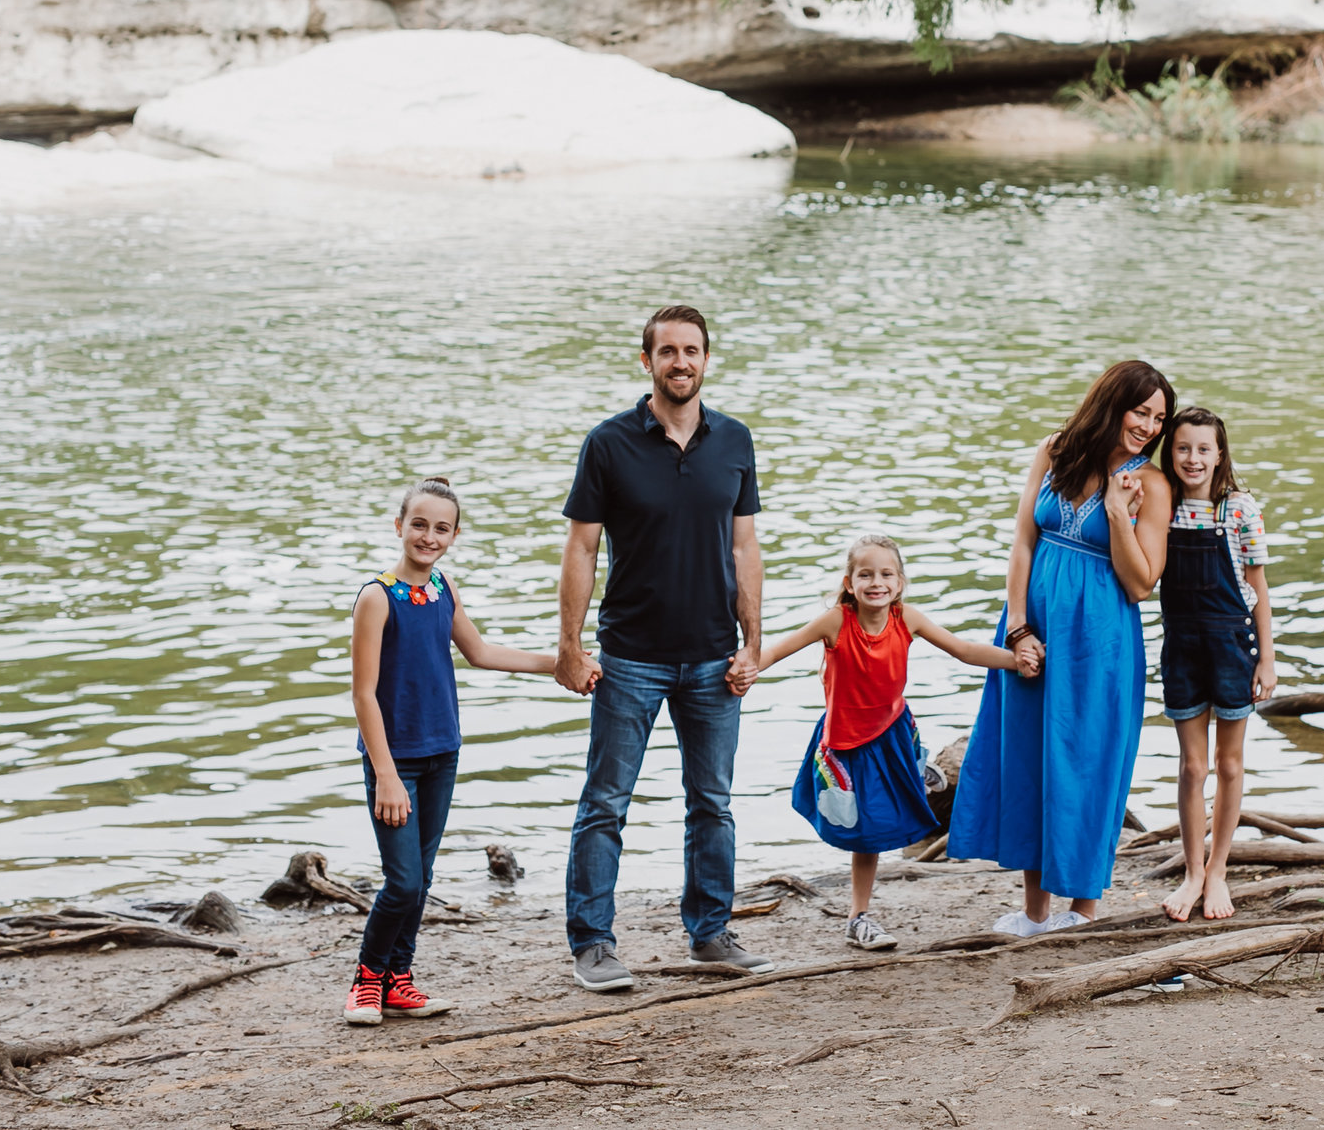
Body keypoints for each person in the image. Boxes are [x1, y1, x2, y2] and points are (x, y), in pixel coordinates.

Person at [554, 304, 769, 993]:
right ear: (646, 361)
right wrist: (569, 645)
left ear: (707, 359)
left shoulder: (734, 440)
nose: (681, 361)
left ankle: (710, 932)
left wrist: (753, 642)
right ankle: (592, 942)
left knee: (712, 801)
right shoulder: (608, 443)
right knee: (605, 803)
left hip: (714, 658)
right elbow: (582, 547)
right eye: (668, 351)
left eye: (692, 350)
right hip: (630, 656)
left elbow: (744, 545)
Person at [948, 360, 1175, 933]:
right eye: (1140, 411)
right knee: (1027, 755)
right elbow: (1023, 542)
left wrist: (1119, 516)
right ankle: (1034, 912)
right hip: (1035, 628)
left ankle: (1082, 911)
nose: (1148, 426)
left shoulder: (1151, 484)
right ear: (1112, 401)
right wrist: (1019, 628)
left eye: (1158, 419)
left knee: (1086, 761)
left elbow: (1141, 583)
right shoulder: (1055, 451)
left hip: (1099, 640)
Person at [347, 477, 559, 1027]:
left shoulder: (442, 589)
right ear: (400, 526)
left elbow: (481, 652)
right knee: (404, 880)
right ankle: (367, 981)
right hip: (395, 761)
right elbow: (363, 694)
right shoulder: (377, 596)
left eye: (442, 528)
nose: (429, 536)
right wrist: (386, 775)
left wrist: (558, 664)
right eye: (419, 524)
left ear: (454, 535)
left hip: (443, 752)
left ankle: (400, 980)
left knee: (423, 875)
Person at [761, 534, 1037, 951]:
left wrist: (1017, 661)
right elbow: (780, 650)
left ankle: (915, 768)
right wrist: (745, 669)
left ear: (901, 581)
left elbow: (963, 650)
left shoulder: (907, 619)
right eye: (866, 574)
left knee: (882, 818)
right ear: (849, 583)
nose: (877, 582)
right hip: (848, 743)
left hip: (893, 733)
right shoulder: (836, 621)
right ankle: (860, 917)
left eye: (887, 573)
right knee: (863, 831)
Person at [1151, 410, 1276, 923]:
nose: (1193, 459)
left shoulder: (1240, 509)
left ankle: (1220, 868)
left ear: (1220, 453)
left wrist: (1267, 659)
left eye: (1204, 449)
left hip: (1231, 644)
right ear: (1170, 452)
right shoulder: (1161, 504)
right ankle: (1193, 870)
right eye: (1183, 448)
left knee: (1228, 764)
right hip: (1180, 646)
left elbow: (1259, 588)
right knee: (1191, 767)